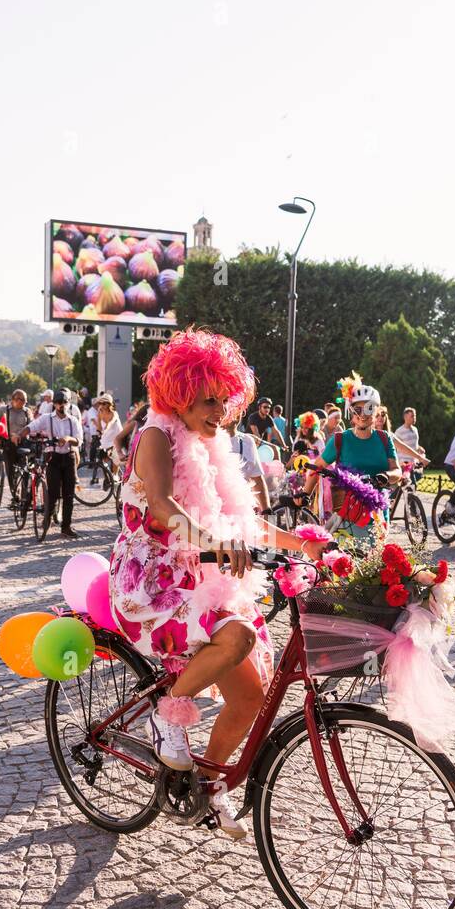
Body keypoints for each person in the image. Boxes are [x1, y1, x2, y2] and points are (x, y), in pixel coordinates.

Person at [109, 329, 327, 839]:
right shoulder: (156, 437)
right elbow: (162, 505)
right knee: (239, 637)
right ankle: (166, 718)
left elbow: (246, 522)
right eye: (207, 399)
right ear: (180, 394)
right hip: (151, 584)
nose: (218, 410)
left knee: (251, 696)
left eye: (223, 400)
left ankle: (206, 788)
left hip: (198, 579)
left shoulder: (212, 447)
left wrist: (303, 544)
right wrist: (213, 538)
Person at [310, 378, 401, 539]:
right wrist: (303, 495)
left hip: (377, 515)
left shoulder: (384, 438)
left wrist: (385, 476)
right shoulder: (340, 440)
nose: (363, 414)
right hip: (346, 515)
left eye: (369, 408)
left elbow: (396, 470)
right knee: (344, 561)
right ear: (351, 413)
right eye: (358, 410)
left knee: (375, 561)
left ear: (377, 412)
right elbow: (317, 467)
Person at [28, 387, 83, 538]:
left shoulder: (73, 421)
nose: (61, 405)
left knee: (69, 495)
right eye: (58, 402)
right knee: (52, 493)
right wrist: (20, 434)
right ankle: (47, 520)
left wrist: (68, 439)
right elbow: (32, 427)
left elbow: (79, 441)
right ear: (54, 404)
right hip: (53, 458)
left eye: (64, 402)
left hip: (69, 457)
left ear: (68, 403)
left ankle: (66, 527)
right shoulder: (47, 418)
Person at [0, 389, 32, 491]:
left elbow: (32, 426)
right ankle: (14, 492)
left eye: (25, 400)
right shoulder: (3, 410)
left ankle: (25, 496)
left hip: (23, 443)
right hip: (7, 443)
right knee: (10, 469)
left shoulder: (27, 411)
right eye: (23, 400)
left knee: (26, 469)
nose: (25, 403)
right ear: (14, 399)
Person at [228, 413, 271, 512]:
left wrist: (267, 511)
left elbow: (257, 479)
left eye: (238, 409)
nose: (234, 412)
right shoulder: (207, 440)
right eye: (230, 407)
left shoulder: (248, 441)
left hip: (241, 512)